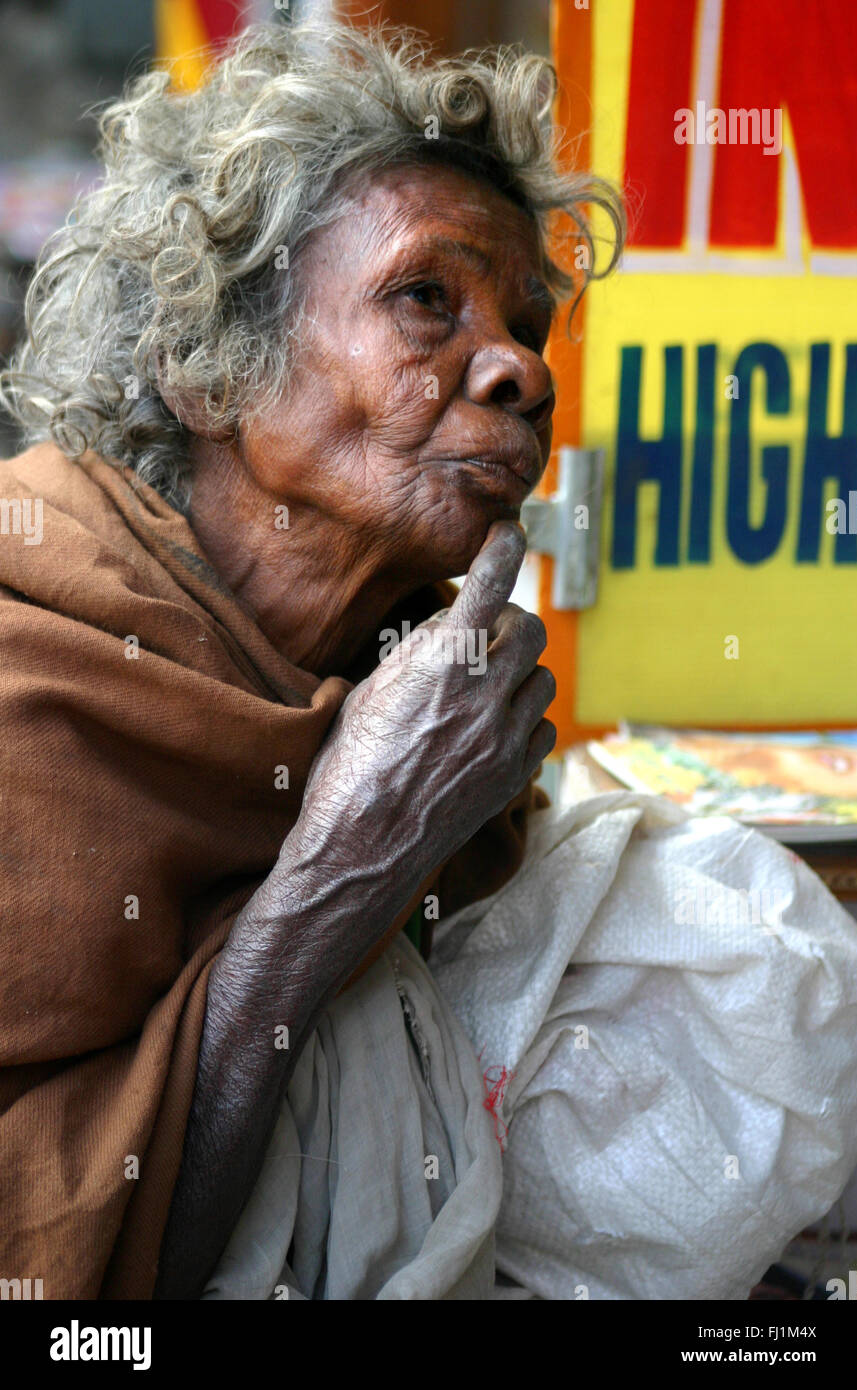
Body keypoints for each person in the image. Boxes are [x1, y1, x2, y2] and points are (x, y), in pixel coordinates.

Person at [0, 19, 623, 1298]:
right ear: (202, 364)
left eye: (526, 324)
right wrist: (348, 859)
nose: (517, 369)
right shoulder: (35, 675)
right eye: (423, 299)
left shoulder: (435, 700)